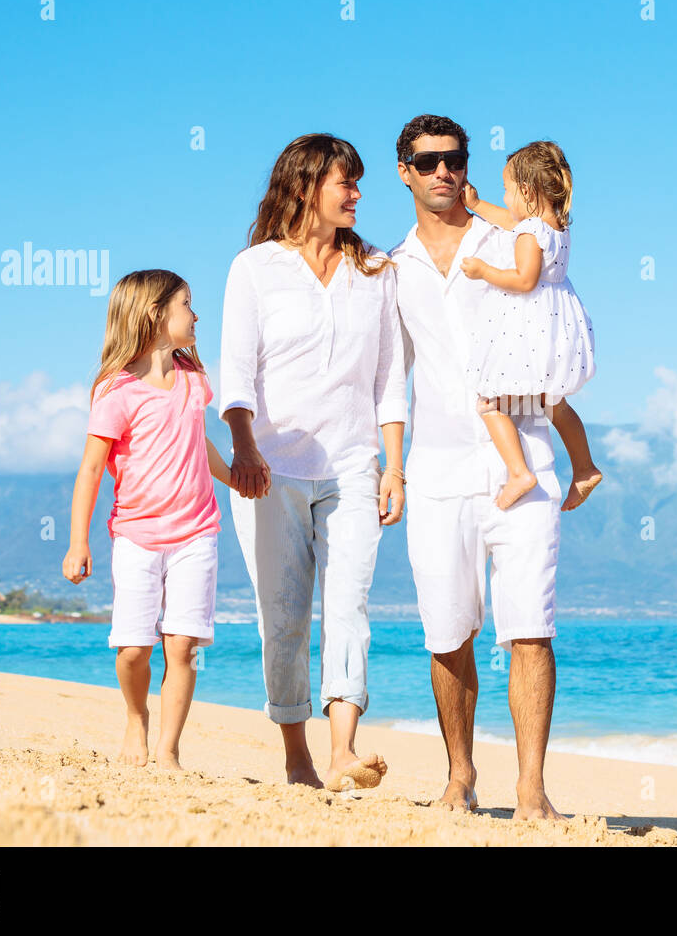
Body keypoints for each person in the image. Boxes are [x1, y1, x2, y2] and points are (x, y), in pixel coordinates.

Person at [390, 114, 566, 819]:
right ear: (405, 170)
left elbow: (556, 313)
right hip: (433, 469)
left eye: (455, 159)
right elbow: (386, 376)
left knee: (530, 626)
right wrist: (391, 465)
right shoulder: (389, 267)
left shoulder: (512, 239)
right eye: (428, 161)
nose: (443, 172)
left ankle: (531, 790)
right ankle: (459, 778)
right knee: (446, 628)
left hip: (523, 459)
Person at [220, 133, 406, 792]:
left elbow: (390, 378)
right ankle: (296, 758)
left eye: (357, 183)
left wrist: (394, 464)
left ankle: (342, 750)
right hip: (271, 469)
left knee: (348, 599)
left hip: (355, 463)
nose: (356, 193)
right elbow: (237, 372)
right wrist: (243, 448)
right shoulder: (255, 269)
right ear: (304, 188)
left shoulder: (377, 269)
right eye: (343, 182)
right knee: (285, 612)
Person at [62, 269, 231, 771]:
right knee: (135, 649)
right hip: (137, 536)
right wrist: (78, 543)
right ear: (156, 314)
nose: (196, 314)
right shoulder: (116, 392)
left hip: (197, 531)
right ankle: (137, 719)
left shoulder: (193, 379)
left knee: (182, 645)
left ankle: (168, 750)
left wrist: (233, 475)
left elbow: (196, 441)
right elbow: (92, 468)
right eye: (187, 304)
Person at [460, 140, 602, 510]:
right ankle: (585, 467)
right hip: (554, 326)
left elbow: (524, 279)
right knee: (553, 402)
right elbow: (516, 222)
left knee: (489, 401)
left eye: (507, 189)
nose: (505, 197)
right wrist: (475, 205)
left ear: (526, 190)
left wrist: (483, 271)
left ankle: (519, 472)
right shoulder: (556, 226)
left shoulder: (529, 232)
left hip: (526, 326)